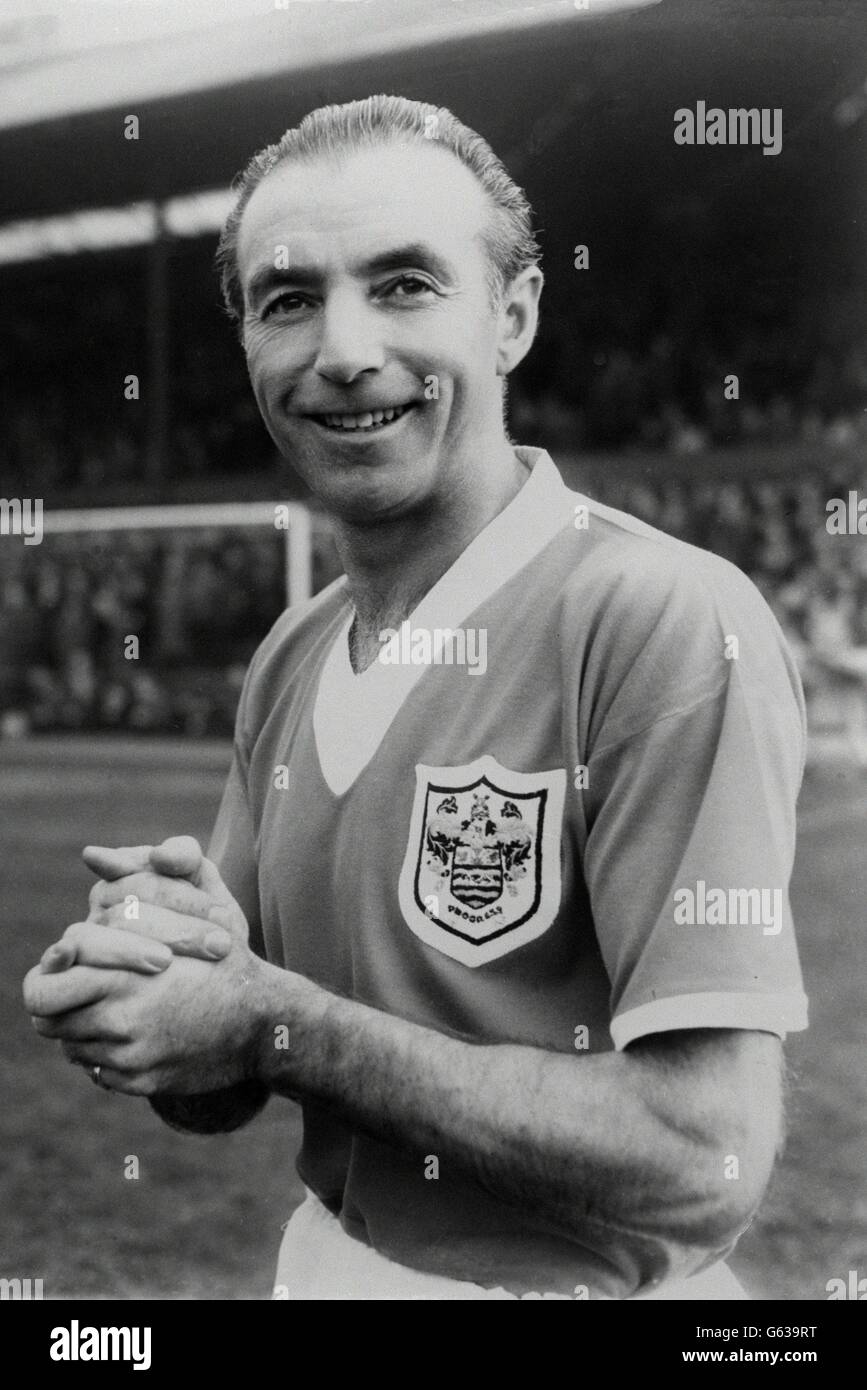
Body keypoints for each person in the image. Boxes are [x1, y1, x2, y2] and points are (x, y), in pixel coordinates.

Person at [24, 95, 808, 1301]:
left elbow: (703, 1157)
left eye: (403, 284)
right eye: (289, 299)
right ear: (248, 347)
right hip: (325, 1265)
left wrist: (277, 1020)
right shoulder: (294, 651)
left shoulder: (662, 617)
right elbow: (223, 1081)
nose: (343, 349)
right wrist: (155, 976)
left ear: (514, 315)